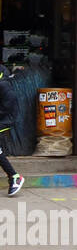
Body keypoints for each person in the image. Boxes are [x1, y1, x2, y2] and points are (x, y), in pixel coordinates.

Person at [0, 66, 23, 197]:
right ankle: (14, 176)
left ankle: (14, 177)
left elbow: (8, 106)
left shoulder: (4, 85)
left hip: (5, 120)